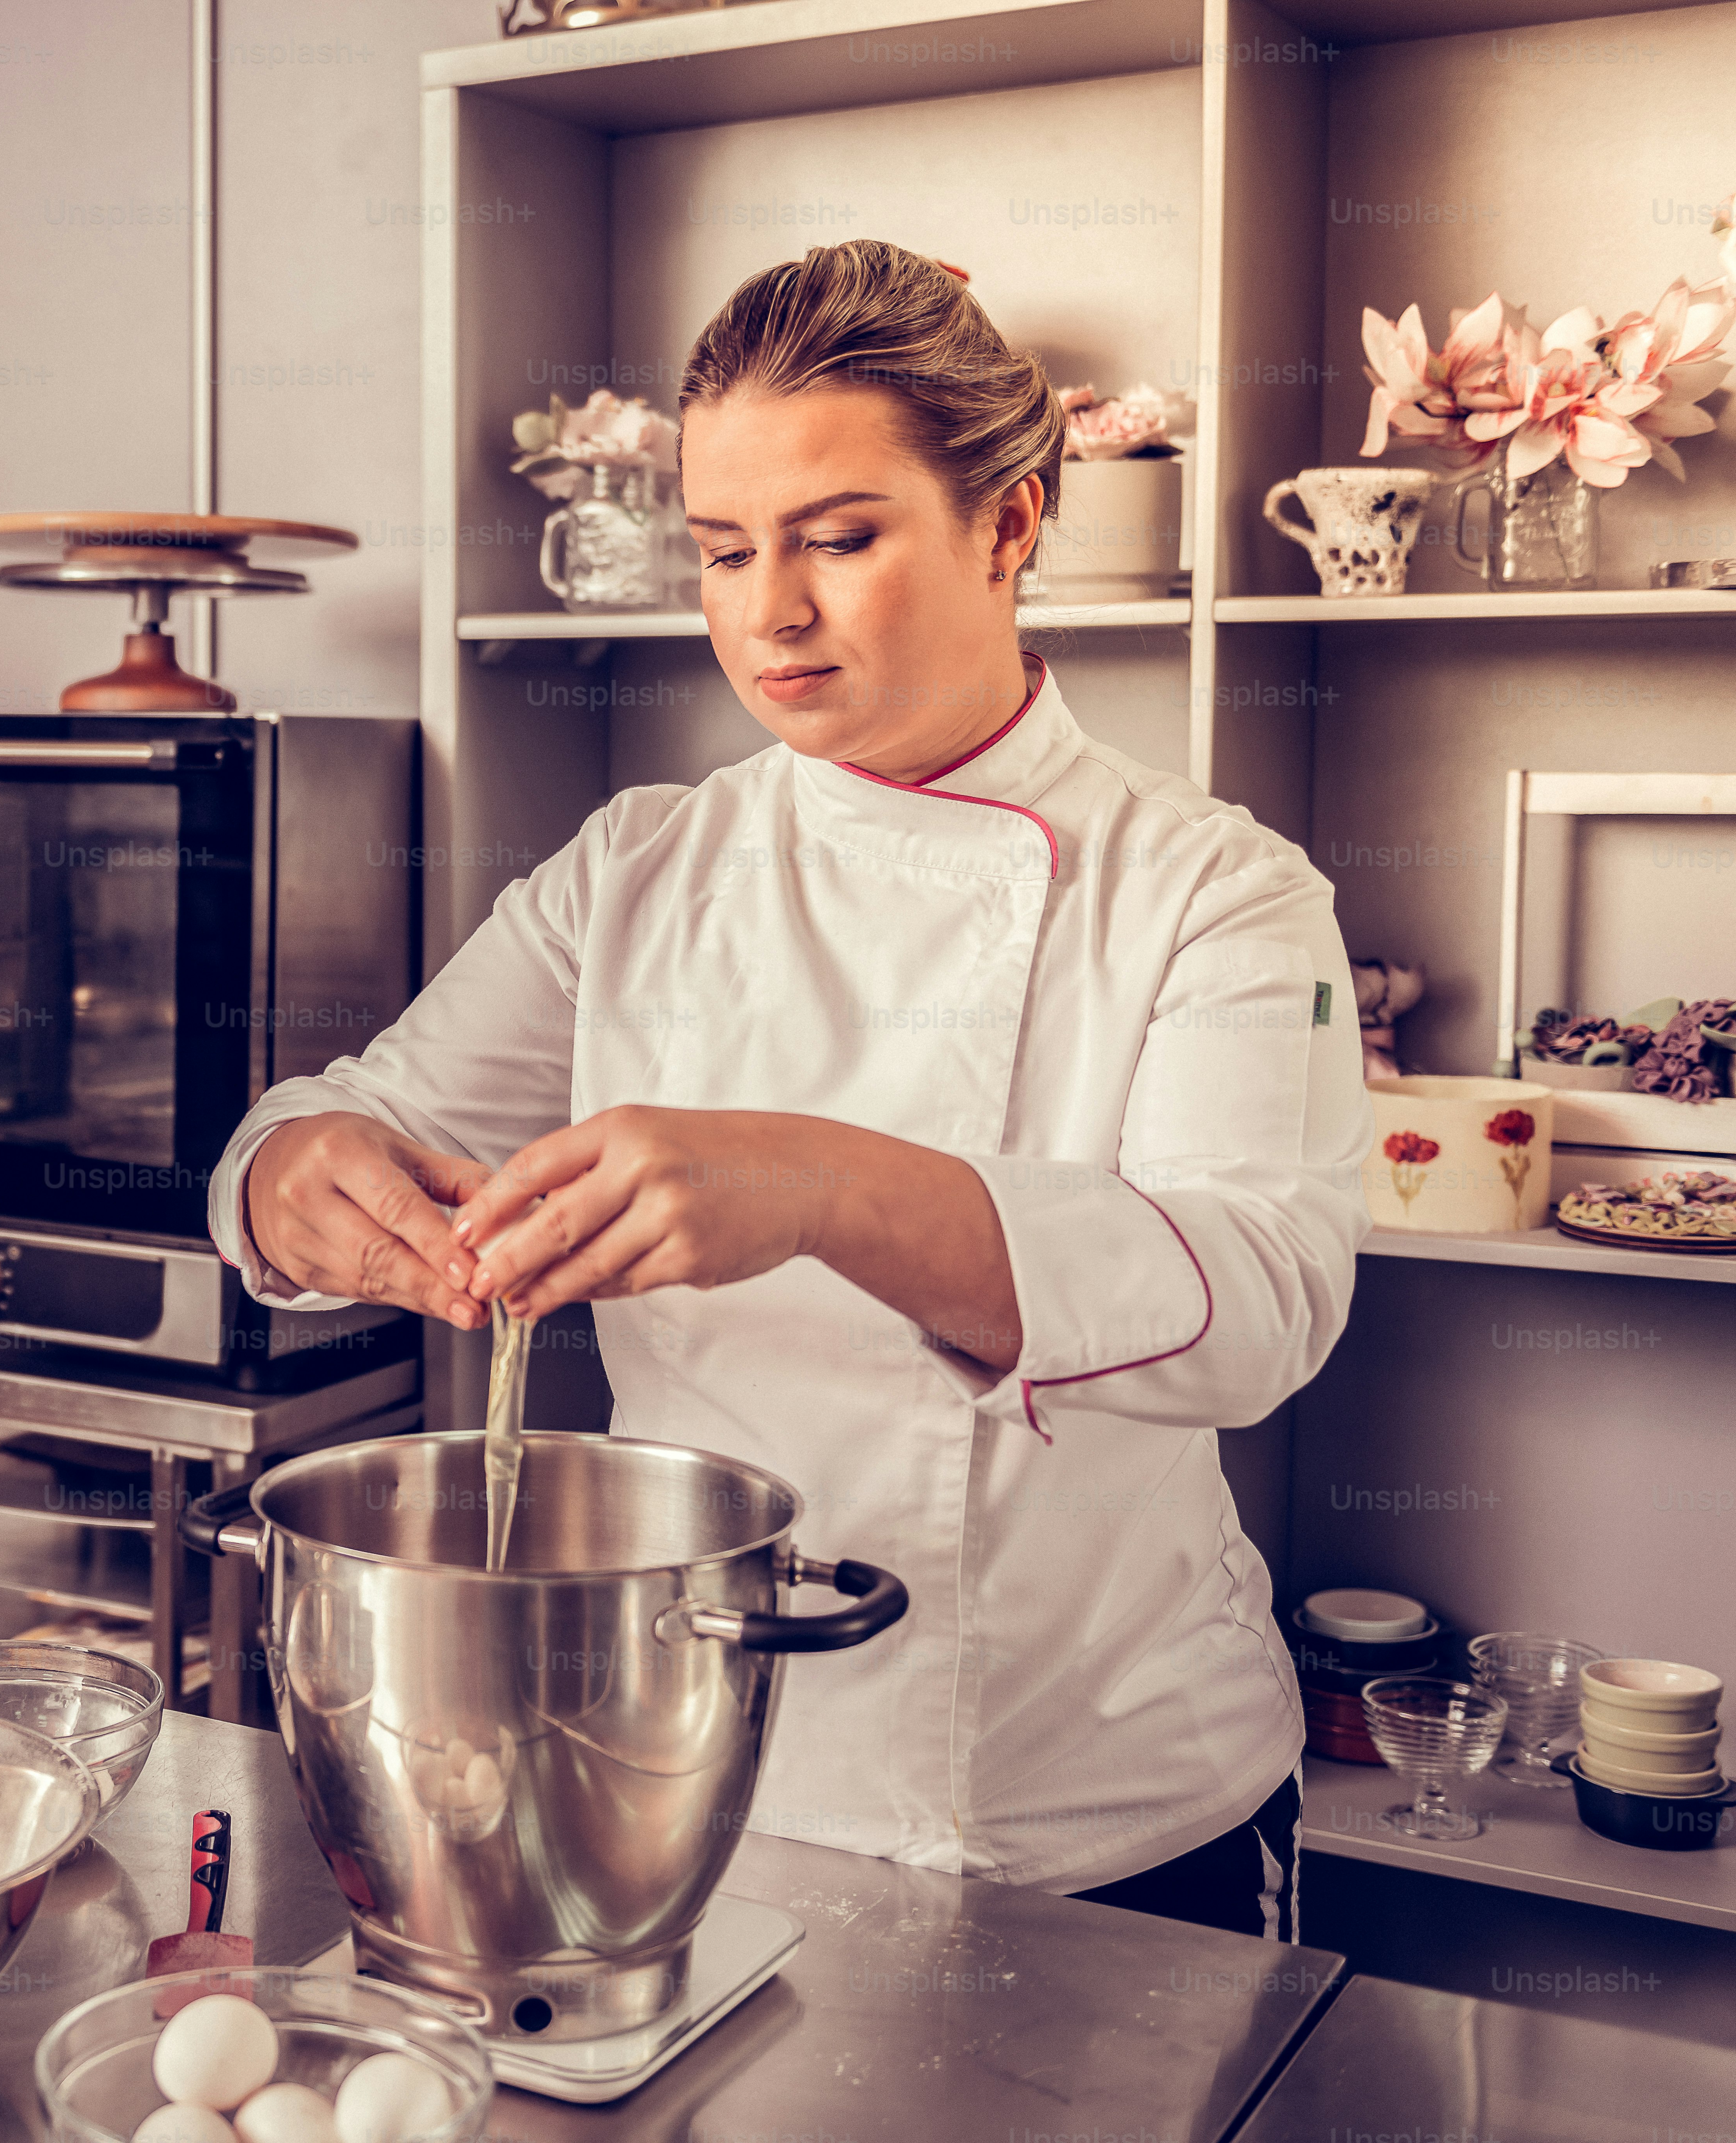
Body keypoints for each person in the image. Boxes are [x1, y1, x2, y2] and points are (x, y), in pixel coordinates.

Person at [211, 240, 1372, 1940]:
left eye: (840, 538)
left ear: (1013, 522)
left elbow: (1262, 1303)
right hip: (693, 1785)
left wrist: (821, 1183)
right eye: (726, 549)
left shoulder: (1213, 888)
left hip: (1107, 1818)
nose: (771, 612)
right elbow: (344, 1113)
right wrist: (294, 1173)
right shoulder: (637, 869)